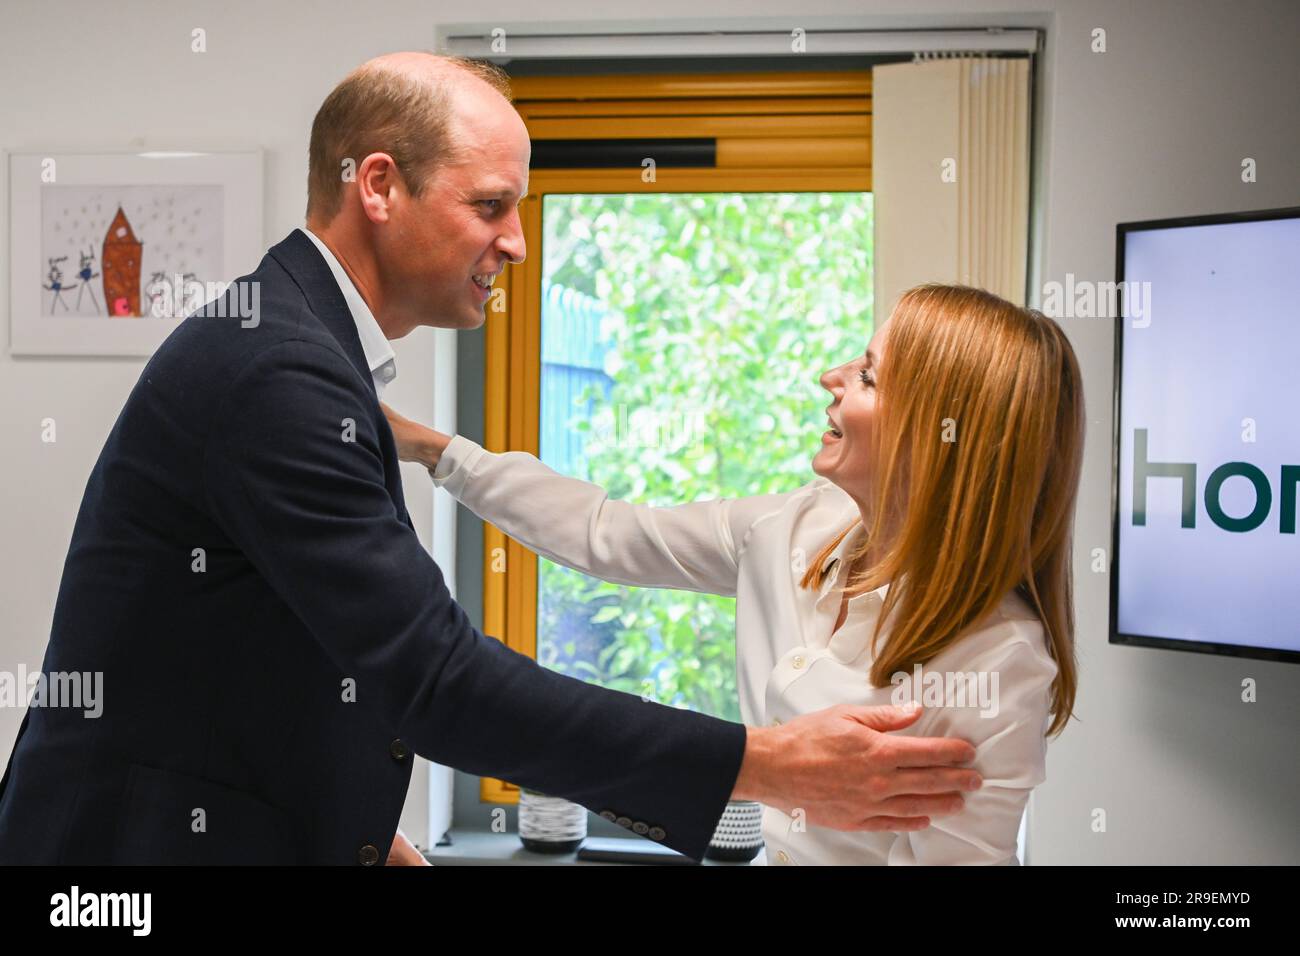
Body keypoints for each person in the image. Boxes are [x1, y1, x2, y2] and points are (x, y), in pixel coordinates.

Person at [0, 53, 984, 865]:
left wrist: (343, 815)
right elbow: (435, 677)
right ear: (379, 185)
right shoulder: (279, 368)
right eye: (490, 205)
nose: (516, 242)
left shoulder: (298, 347)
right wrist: (764, 763)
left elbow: (282, 643)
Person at [383, 283, 1085, 864]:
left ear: (939, 437)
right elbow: (608, 534)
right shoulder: (796, 526)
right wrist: (431, 448)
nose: (831, 378)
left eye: (868, 376)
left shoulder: (998, 659)